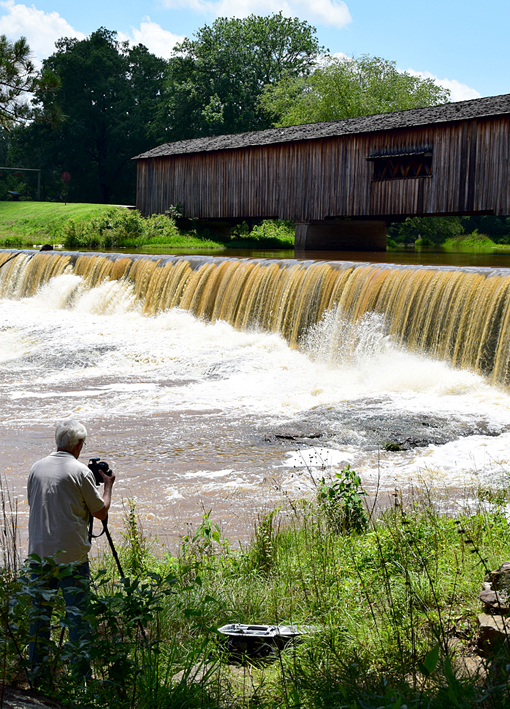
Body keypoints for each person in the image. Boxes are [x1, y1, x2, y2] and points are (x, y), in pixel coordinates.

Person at [26, 418, 115, 680]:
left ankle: (37, 675)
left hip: (39, 555)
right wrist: (108, 486)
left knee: (39, 619)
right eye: (83, 444)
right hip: (72, 558)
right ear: (77, 444)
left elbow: (36, 505)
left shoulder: (36, 468)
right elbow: (100, 512)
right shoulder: (80, 472)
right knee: (77, 620)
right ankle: (81, 680)